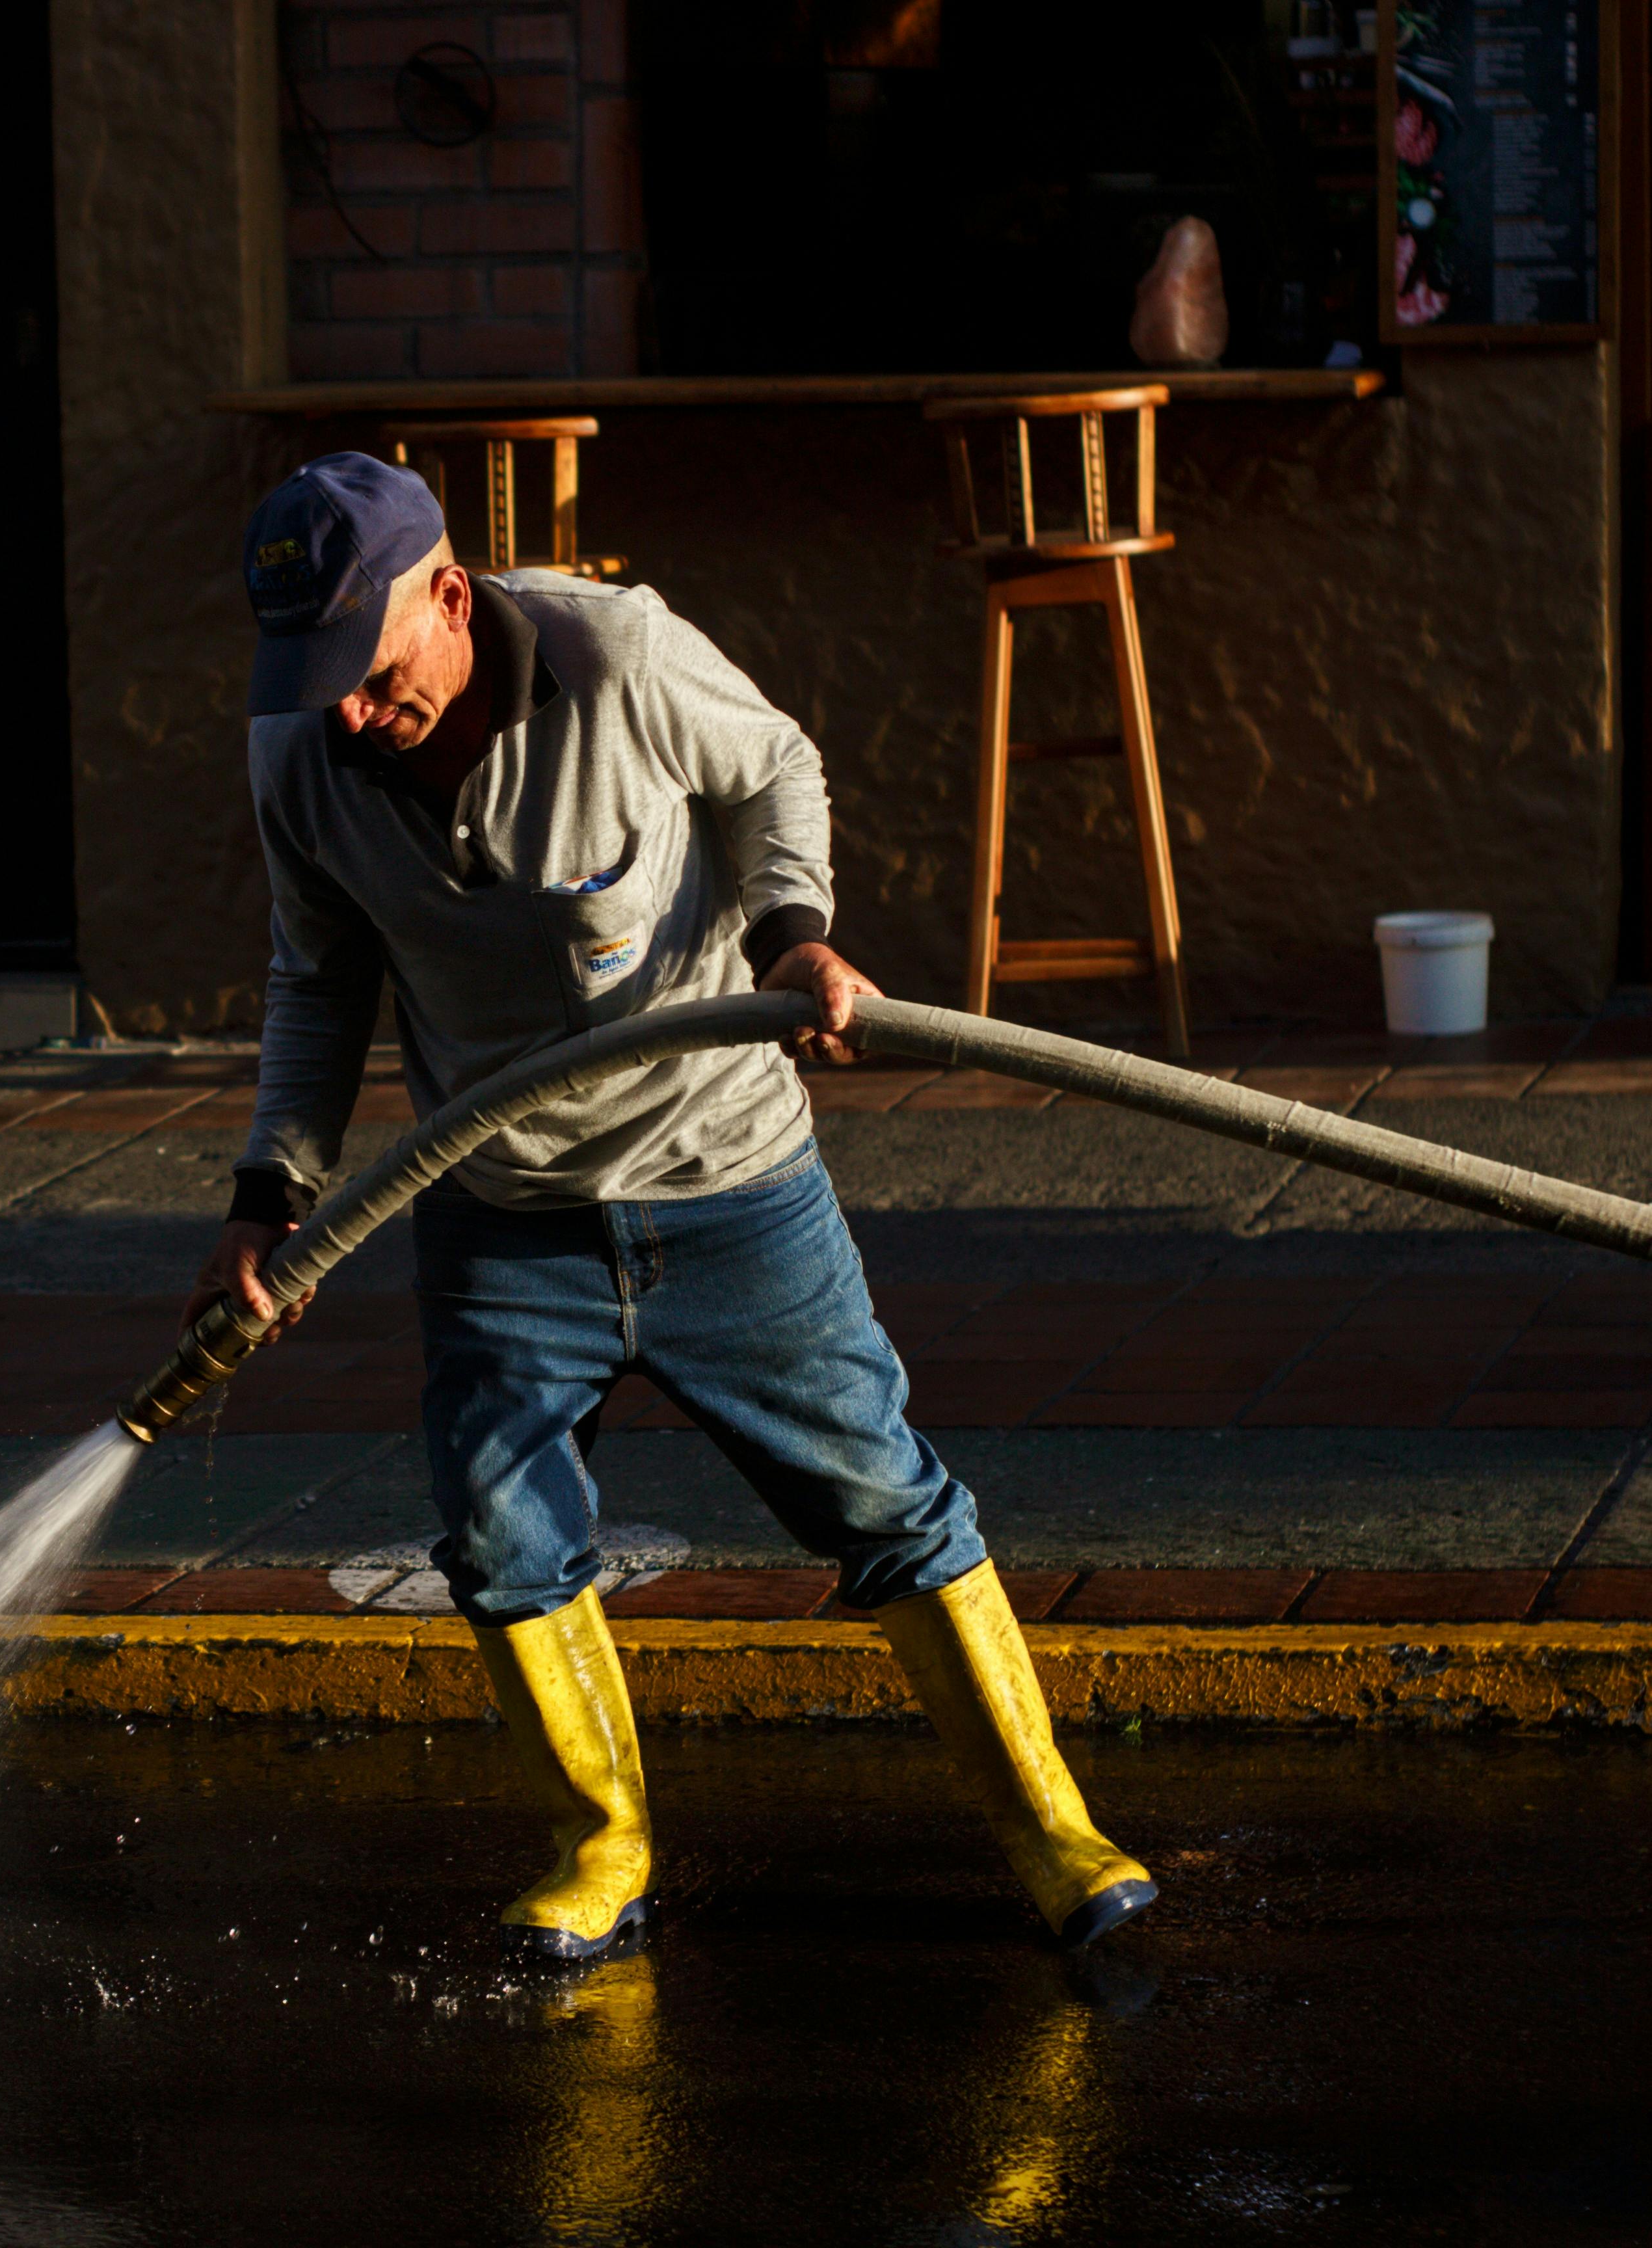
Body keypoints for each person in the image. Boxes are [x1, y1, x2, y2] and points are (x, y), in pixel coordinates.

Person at [195, 454, 1152, 1964]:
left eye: (375, 678)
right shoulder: (298, 753)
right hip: (498, 1209)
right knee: (500, 1536)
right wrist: (272, 1193)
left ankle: (1056, 1828)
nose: (352, 717)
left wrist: (791, 935)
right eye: (317, 686)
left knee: (882, 1501)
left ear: (450, 595)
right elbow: (316, 977)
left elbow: (773, 766)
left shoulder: (616, 657)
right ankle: (602, 1846)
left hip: (726, 1181)